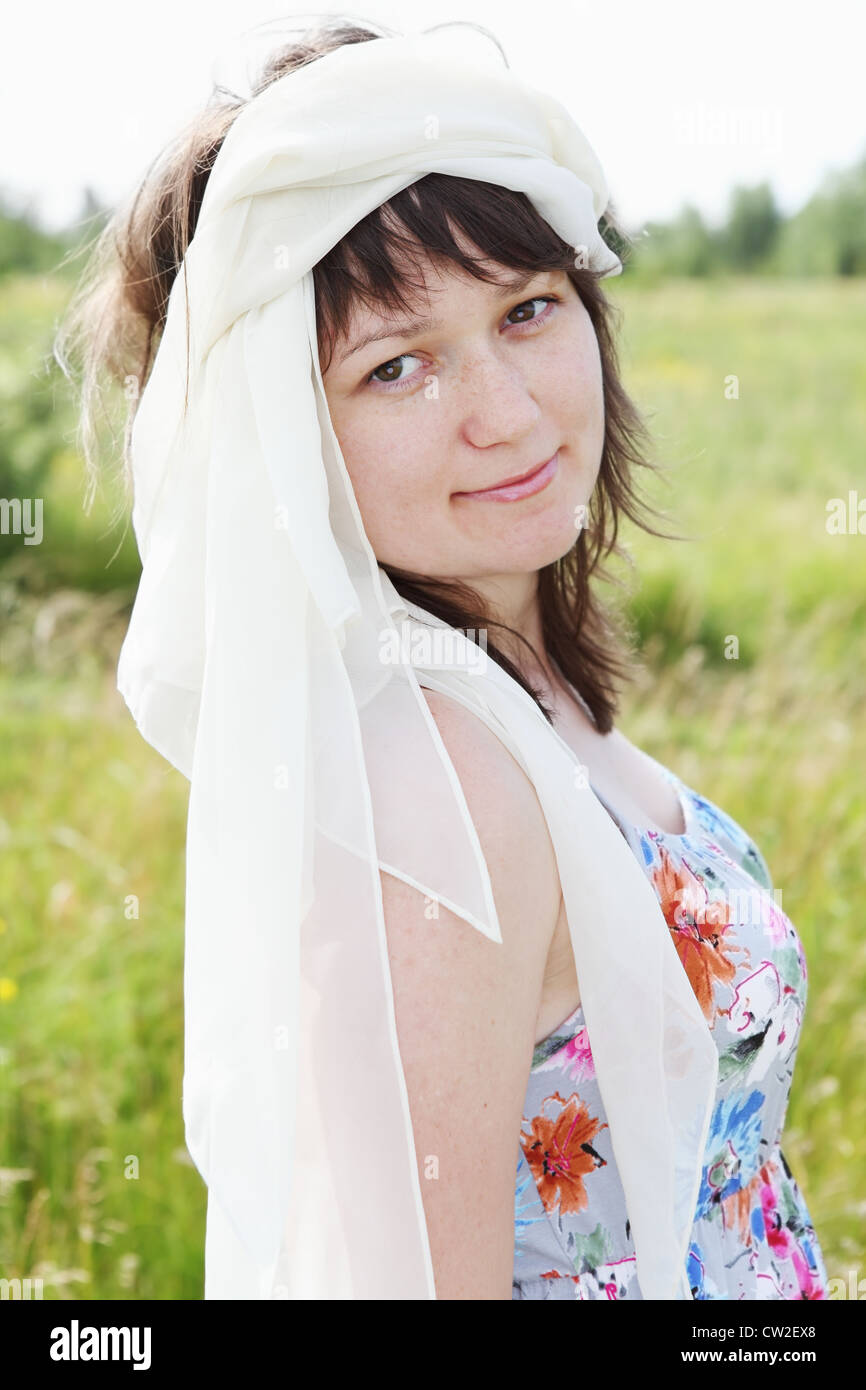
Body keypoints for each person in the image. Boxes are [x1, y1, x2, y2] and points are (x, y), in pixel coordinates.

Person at [55, 16, 829, 1300]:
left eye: (526, 309)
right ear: (286, 442)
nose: (506, 411)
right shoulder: (430, 784)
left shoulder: (513, 691)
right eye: (396, 366)